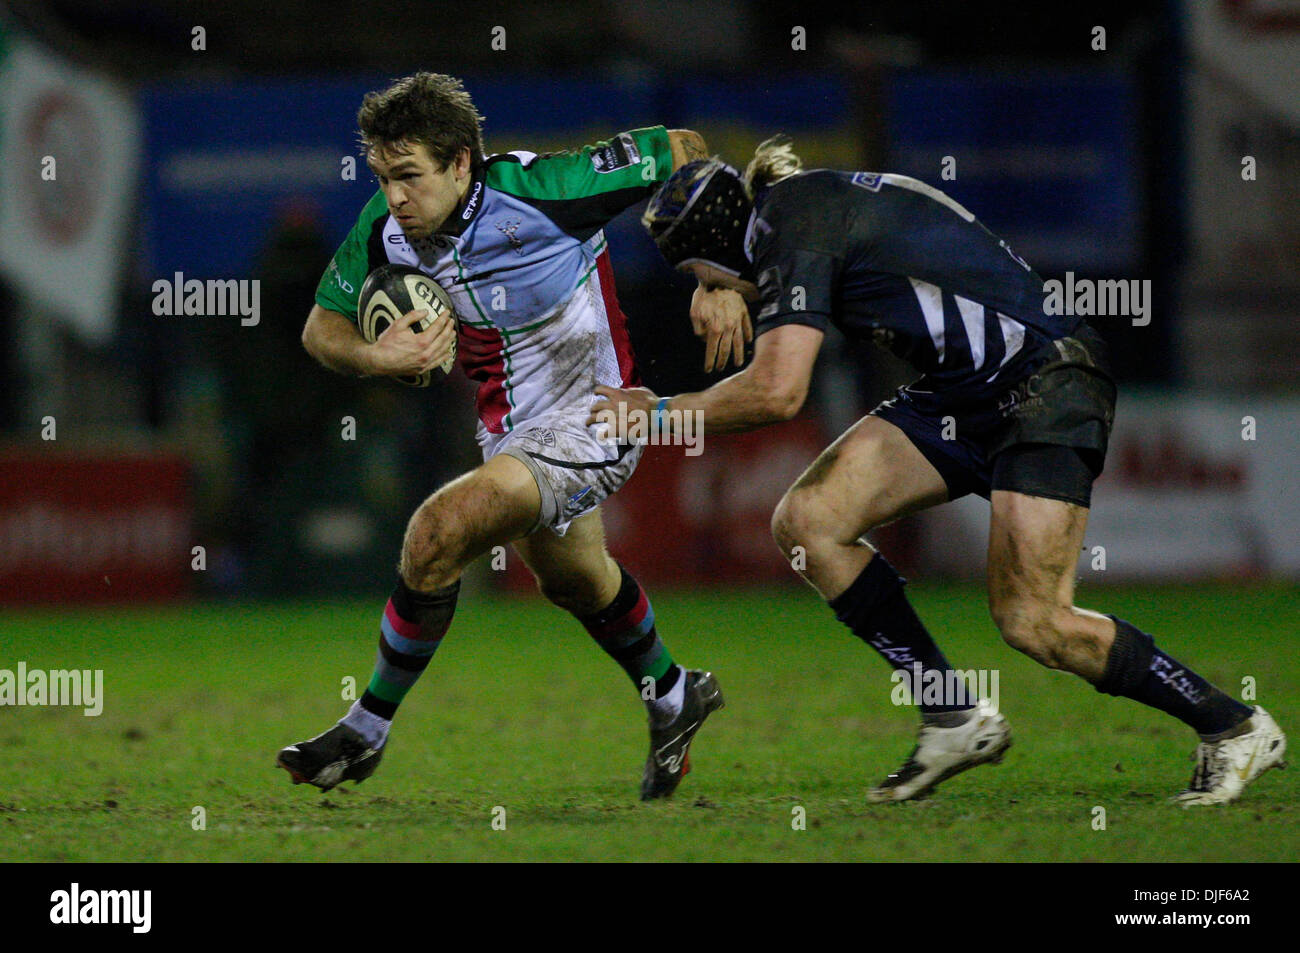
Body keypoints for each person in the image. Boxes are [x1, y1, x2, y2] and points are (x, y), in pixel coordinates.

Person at [590, 136, 1287, 805]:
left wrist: (652, 413)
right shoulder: (793, 210)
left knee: (1034, 621)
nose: (697, 291)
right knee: (811, 522)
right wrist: (731, 283)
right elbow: (768, 284)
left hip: (1044, 381)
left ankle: (1233, 723)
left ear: (712, 244)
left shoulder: (794, 221)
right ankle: (954, 717)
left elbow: (779, 390)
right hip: (963, 391)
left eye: (693, 273)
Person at [278, 73, 747, 800]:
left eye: (408, 176)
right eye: (381, 176)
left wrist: (717, 277)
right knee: (574, 580)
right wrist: (378, 356)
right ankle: (673, 691)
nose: (394, 195)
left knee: (438, 531)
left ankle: (366, 726)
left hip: (599, 416)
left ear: (461, 162)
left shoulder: (547, 188)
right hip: (509, 433)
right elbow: (320, 327)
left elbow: (685, 150)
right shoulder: (385, 228)